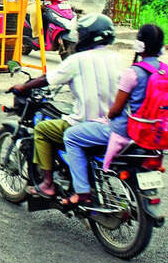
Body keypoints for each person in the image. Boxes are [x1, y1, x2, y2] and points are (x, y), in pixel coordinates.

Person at [8, 14, 124, 201]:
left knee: (42, 129)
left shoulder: (77, 60)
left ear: (86, 35)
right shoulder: (117, 58)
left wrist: (23, 87)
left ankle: (47, 184)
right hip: (113, 123)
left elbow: (47, 79)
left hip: (86, 123)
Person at [61, 24, 166, 205]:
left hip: (127, 132)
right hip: (153, 132)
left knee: (71, 136)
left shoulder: (133, 73)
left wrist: (106, 116)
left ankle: (82, 192)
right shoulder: (164, 71)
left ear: (139, 45)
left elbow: (116, 110)